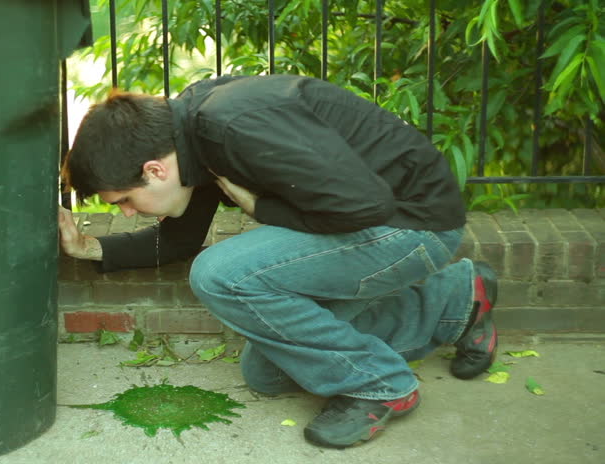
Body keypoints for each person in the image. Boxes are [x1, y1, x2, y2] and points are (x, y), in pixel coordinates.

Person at [57, 74, 498, 448]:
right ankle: (455, 301)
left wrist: (261, 208)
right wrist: (89, 247)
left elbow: (367, 206)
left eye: (125, 200)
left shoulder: (231, 126)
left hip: (412, 225)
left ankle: (379, 383)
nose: (127, 212)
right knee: (267, 374)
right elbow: (180, 240)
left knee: (219, 274)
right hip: (376, 224)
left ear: (155, 171)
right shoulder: (188, 135)